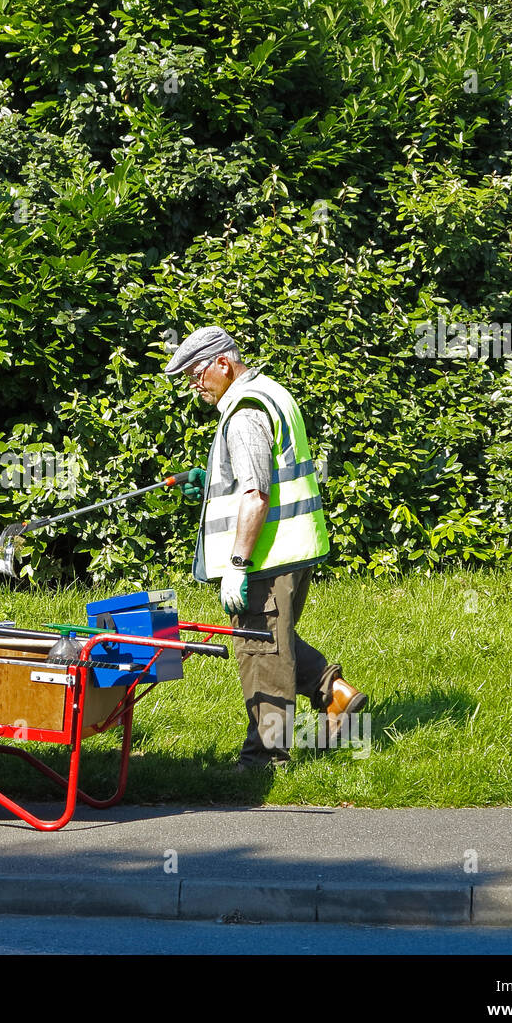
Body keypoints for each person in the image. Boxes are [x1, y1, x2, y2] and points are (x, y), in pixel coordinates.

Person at [164, 326, 365, 771]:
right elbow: (258, 475)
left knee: (261, 651)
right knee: (273, 639)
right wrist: (212, 483)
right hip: (290, 547)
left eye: (198, 375)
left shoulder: (244, 412)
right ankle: (335, 694)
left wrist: (238, 563)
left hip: (266, 557)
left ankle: (266, 759)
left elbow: (256, 493)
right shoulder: (268, 392)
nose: (195, 386)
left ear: (222, 362)